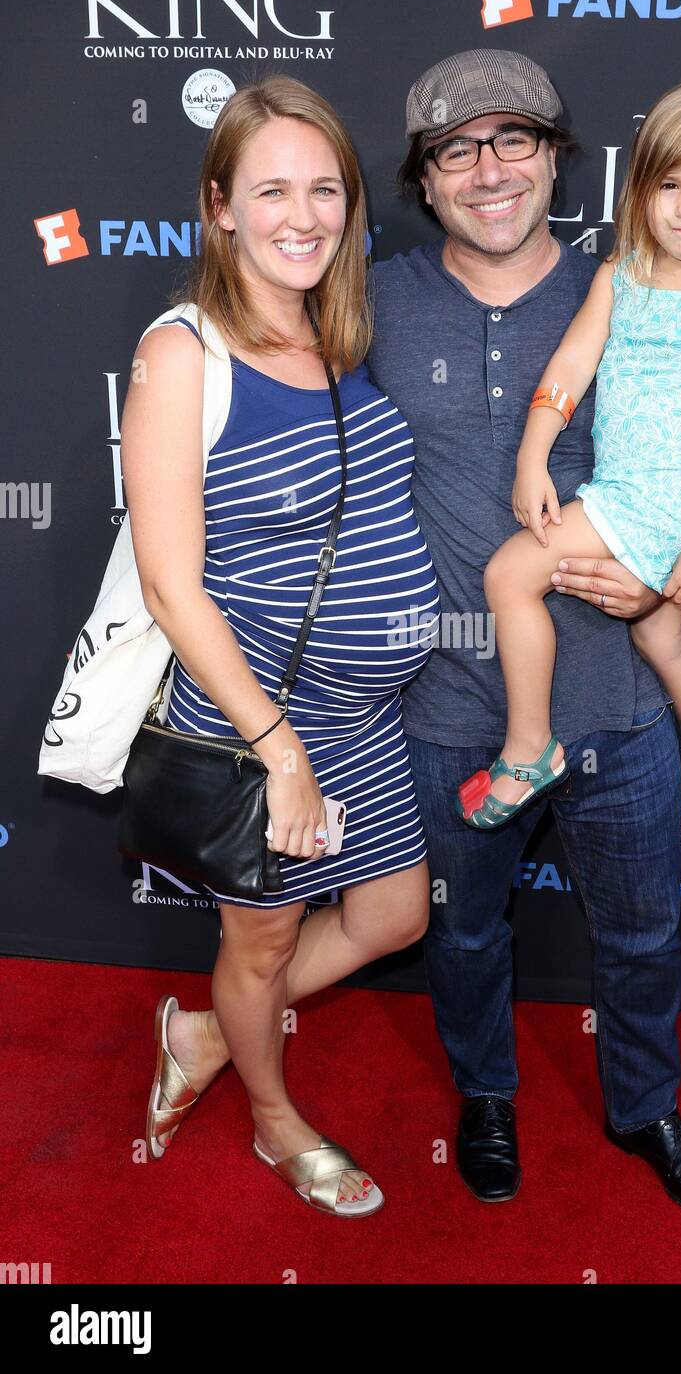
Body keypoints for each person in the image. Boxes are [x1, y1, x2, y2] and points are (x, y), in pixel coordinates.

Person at [365, 49, 681, 1219]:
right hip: (443, 704)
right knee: (468, 933)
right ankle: (485, 1094)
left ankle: (647, 1111)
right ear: (425, 180)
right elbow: (266, 390)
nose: (488, 171)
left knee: (641, 936)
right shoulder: (372, 299)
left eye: (514, 141)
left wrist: (664, 592)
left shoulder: (637, 284)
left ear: (558, 160)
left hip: (620, 704)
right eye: (456, 150)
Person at [122, 76, 440, 1218]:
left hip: (360, 720)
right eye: (271, 191)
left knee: (393, 915)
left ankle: (205, 1029)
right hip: (257, 719)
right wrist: (278, 747)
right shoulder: (183, 355)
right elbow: (169, 582)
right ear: (219, 206)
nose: (302, 215)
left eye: (325, 189)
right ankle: (271, 1117)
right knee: (259, 945)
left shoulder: (339, 330)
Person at [455, 76, 681, 850]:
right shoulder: (620, 277)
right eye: (669, 184)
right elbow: (570, 369)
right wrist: (533, 454)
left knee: (510, 575)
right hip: (626, 491)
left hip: (669, 505)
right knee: (661, 639)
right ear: (638, 187)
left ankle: (530, 747)